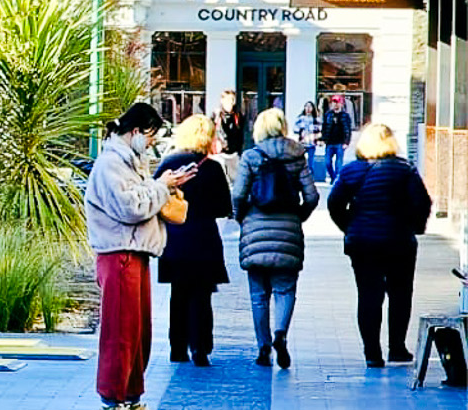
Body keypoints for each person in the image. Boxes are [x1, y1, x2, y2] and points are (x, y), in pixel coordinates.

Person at [84, 101, 190, 410]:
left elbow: (141, 196)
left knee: (138, 331)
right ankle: (112, 403)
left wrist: (161, 186)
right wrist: (162, 186)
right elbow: (130, 206)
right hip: (119, 254)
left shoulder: (131, 162)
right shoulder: (111, 164)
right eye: (151, 135)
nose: (153, 142)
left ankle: (132, 399)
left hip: (136, 254)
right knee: (120, 331)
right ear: (136, 132)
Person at [327, 121, 433, 367]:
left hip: (363, 243)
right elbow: (422, 203)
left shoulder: (351, 170)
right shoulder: (404, 169)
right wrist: (414, 227)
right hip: (398, 241)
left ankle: (372, 353)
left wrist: (349, 227)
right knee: (400, 293)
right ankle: (397, 347)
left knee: (368, 295)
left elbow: (334, 203)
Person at [233, 107, 320, 369]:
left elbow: (238, 195)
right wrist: (298, 217)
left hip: (256, 228)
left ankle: (264, 347)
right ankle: (280, 333)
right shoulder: (297, 156)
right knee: (285, 289)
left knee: (258, 294)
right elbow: (313, 195)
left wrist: (242, 218)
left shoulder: (251, 156)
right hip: (288, 228)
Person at [155, 113, 233, 367]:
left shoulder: (168, 164)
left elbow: (154, 197)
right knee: (202, 295)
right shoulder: (212, 168)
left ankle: (177, 347)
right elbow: (224, 206)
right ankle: (201, 347)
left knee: (178, 294)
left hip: (175, 237)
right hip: (203, 238)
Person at [321, 95, 352, 180]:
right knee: (327, 162)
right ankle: (333, 177)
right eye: (334, 102)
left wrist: (346, 142)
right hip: (330, 142)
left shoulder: (345, 116)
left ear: (341, 104)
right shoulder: (328, 115)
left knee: (338, 164)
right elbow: (324, 128)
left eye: (338, 102)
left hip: (340, 143)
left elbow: (348, 130)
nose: (336, 104)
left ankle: (336, 179)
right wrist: (323, 139)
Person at [292, 101, 320, 174]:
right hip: (302, 143)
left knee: (311, 163)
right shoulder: (300, 118)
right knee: (300, 162)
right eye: (306, 106)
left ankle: (311, 177)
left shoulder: (315, 119)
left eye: (310, 107)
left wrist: (317, 139)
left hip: (312, 143)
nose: (308, 108)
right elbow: (295, 129)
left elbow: (319, 130)